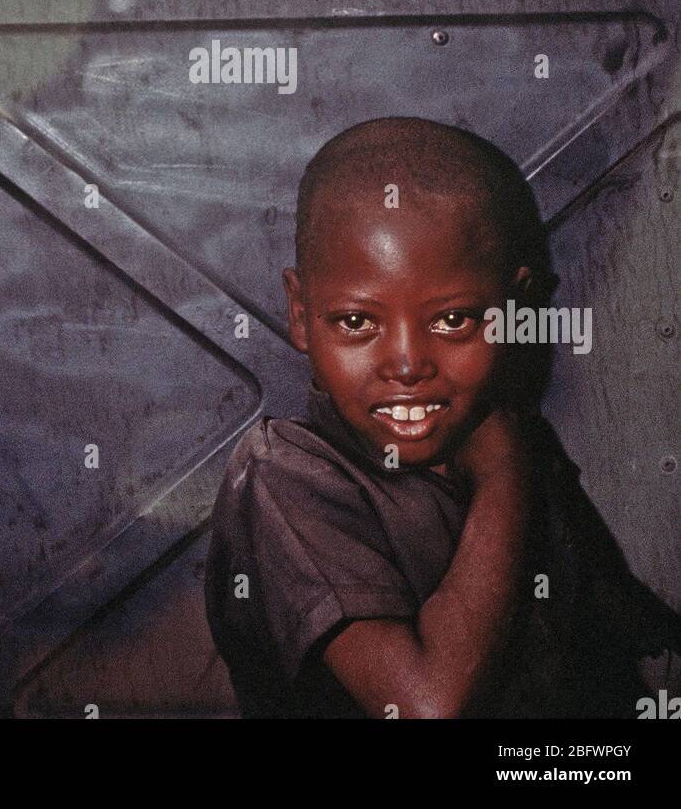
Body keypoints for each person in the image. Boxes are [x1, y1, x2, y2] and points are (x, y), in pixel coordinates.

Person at [204, 117, 679, 718]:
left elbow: (613, 640)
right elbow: (426, 705)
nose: (406, 364)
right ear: (300, 314)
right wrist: (504, 469)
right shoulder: (287, 479)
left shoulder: (516, 437)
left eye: (453, 320)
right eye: (357, 323)